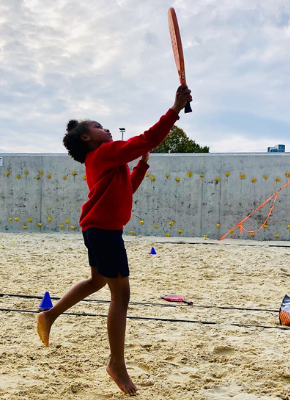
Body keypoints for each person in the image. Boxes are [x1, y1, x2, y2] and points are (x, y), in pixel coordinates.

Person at [38, 84, 192, 396]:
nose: (105, 128)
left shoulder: (107, 161)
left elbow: (128, 188)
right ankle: (116, 364)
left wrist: (143, 164)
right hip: (104, 232)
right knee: (120, 296)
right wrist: (174, 110)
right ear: (87, 139)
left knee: (96, 282)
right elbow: (146, 138)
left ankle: (49, 315)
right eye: (97, 126)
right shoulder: (103, 154)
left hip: (99, 229)